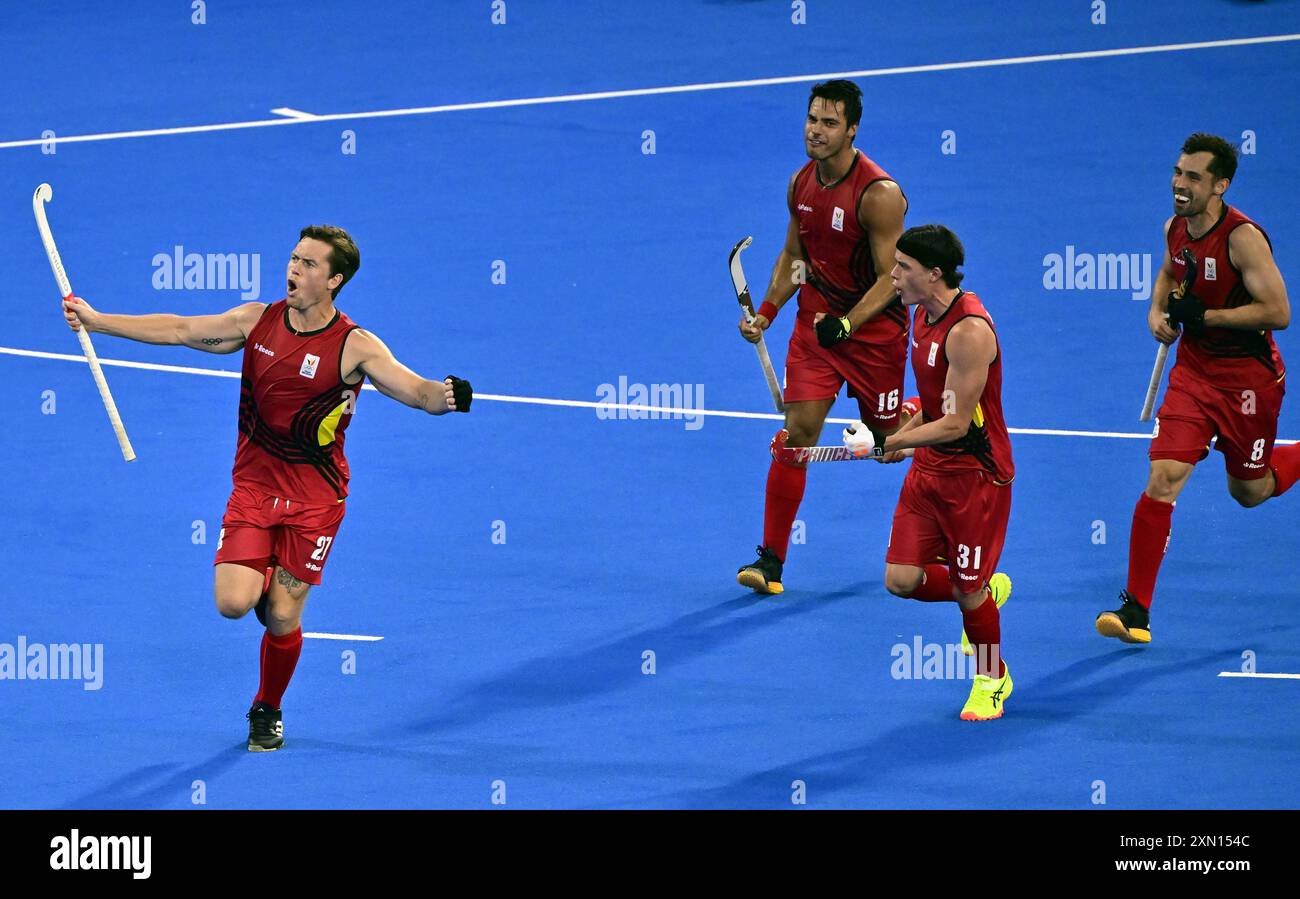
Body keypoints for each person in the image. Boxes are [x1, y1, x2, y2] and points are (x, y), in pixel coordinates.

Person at [63, 225, 473, 750]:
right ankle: (264, 583)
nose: (293, 271)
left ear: (334, 280)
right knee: (235, 603)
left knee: (281, 614)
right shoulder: (257, 322)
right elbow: (183, 329)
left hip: (316, 502)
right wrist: (99, 322)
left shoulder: (354, 347)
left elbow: (415, 391)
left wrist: (446, 396)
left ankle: (267, 707)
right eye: (293, 259)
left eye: (308, 265)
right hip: (255, 489)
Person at [1098, 133, 1297, 644]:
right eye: (1178, 172)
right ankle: (1135, 611)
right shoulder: (1175, 228)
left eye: (1193, 177)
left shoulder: (1242, 239)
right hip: (1193, 376)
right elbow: (1169, 274)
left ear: (1221, 185)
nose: (1179, 184)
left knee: (1249, 492)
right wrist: (1156, 312)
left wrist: (1205, 315)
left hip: (1248, 386)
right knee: (1162, 477)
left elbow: (1278, 313)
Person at [737, 79, 916, 595]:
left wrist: (849, 325)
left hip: (873, 333)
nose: (817, 131)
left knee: (885, 446)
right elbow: (796, 257)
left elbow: (893, 278)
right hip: (816, 325)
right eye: (812, 119)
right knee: (797, 437)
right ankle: (770, 561)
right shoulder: (800, 184)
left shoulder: (879, 196)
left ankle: (916, 417)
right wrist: (767, 313)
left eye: (830, 123)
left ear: (852, 130)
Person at [853, 224, 1015, 720]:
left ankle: (992, 678)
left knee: (968, 592)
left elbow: (957, 423)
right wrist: (904, 422)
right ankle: (985, 589)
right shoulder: (921, 317)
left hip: (975, 480)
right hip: (929, 474)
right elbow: (935, 400)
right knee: (901, 580)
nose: (893, 275)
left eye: (904, 268)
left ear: (934, 274)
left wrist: (892, 442)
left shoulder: (969, 332)